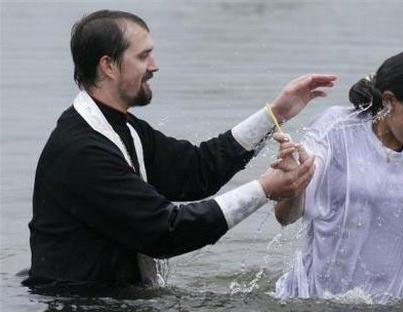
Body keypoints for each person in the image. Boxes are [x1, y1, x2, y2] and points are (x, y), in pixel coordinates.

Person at [24, 10, 336, 287]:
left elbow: (197, 171)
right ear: (108, 65)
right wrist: (264, 189)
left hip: (108, 309)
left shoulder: (124, 127)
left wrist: (275, 114)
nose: (155, 66)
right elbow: (165, 231)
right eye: (143, 56)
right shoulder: (82, 151)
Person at [272, 49, 403, 304]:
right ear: (390, 100)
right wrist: (293, 180)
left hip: (395, 306)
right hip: (317, 303)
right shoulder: (337, 128)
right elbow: (285, 216)